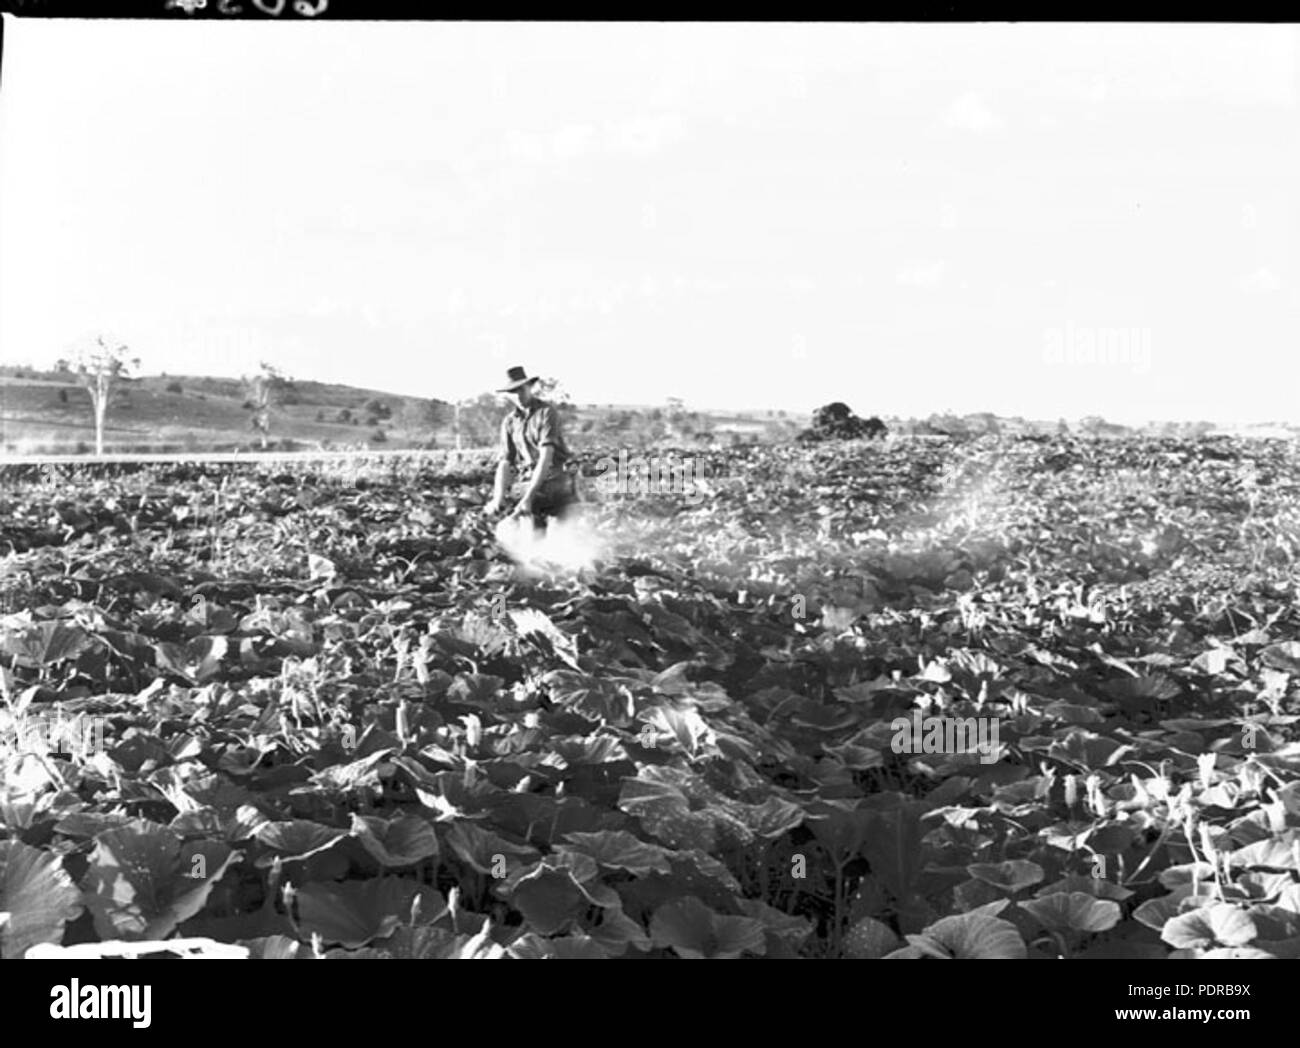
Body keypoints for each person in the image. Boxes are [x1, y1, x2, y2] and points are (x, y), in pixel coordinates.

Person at [484, 366, 578, 534]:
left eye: (521, 389)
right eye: (512, 392)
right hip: (529, 480)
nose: (518, 395)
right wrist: (497, 498)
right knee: (530, 540)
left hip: (556, 480)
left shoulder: (546, 413)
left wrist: (529, 497)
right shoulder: (510, 422)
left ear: (530, 387)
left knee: (561, 541)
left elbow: (546, 456)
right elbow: (505, 462)